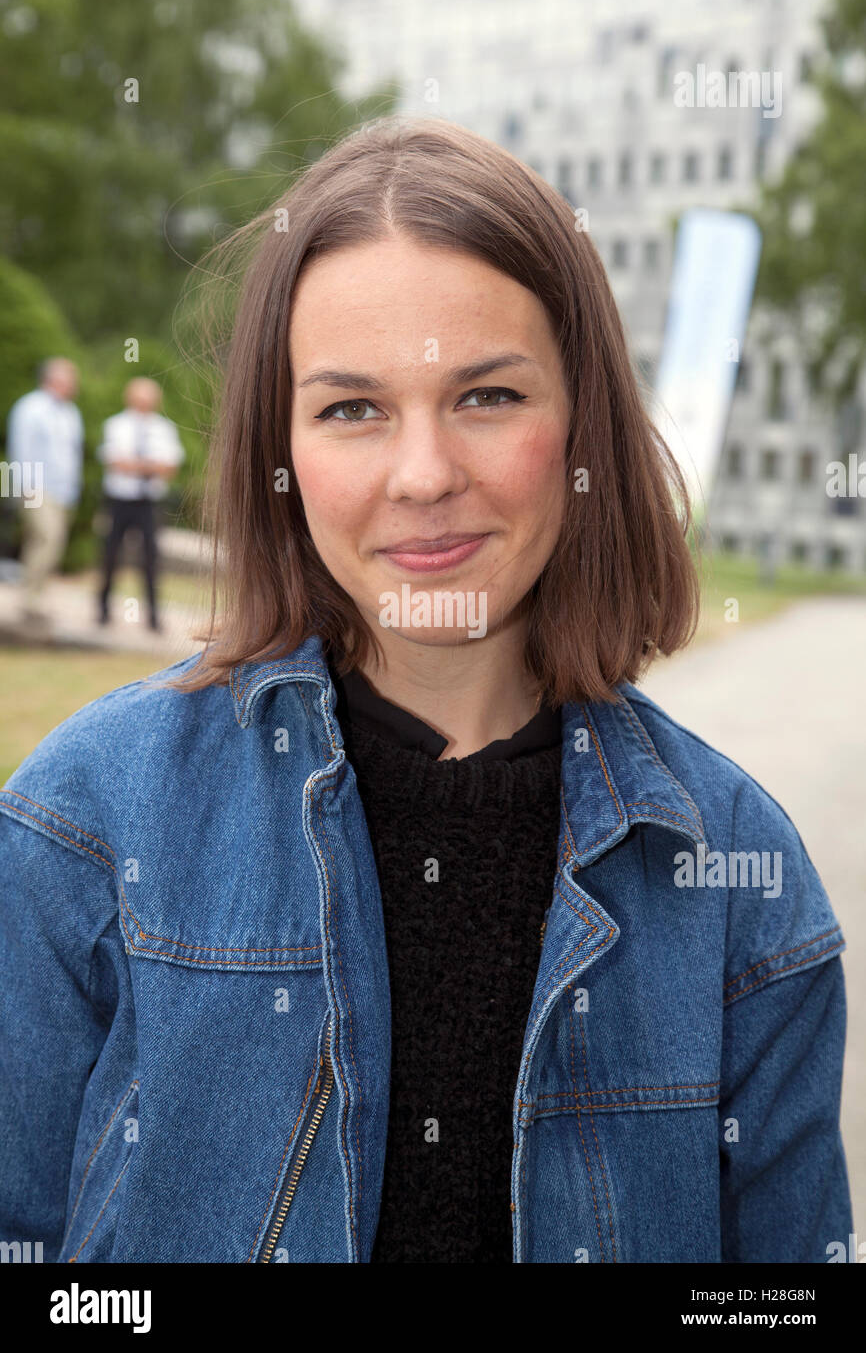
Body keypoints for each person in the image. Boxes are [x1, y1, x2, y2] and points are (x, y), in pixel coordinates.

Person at [0, 117, 852, 1264]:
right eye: (352, 408)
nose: (423, 476)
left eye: (487, 396)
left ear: (581, 423)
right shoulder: (84, 821)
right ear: (282, 450)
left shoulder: (739, 878)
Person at [96, 377, 184, 631]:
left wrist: (136, 465)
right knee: (110, 554)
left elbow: (169, 467)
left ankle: (153, 616)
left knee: (151, 558)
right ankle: (102, 610)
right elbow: (116, 462)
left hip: (148, 503)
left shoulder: (164, 428)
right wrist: (150, 466)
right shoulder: (116, 425)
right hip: (120, 500)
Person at [4, 357, 83, 626]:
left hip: (63, 491)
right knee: (46, 537)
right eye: (70, 377)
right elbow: (22, 451)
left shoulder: (71, 412)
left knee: (50, 542)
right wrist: (26, 490)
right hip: (37, 487)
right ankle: (29, 599)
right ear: (53, 379)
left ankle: (35, 597)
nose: (75, 383)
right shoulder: (31, 408)